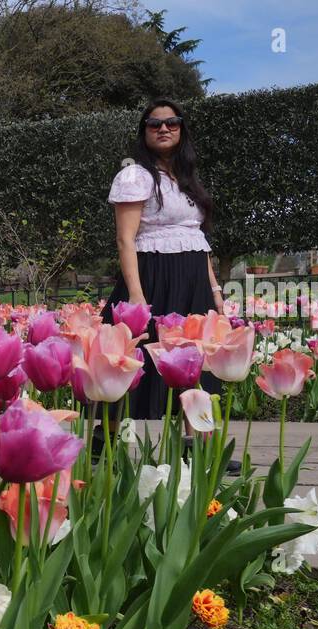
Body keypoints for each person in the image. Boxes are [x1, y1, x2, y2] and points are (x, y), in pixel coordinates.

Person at [101, 99, 223, 421]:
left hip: (193, 279)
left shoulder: (186, 180)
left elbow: (197, 238)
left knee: (195, 358)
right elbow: (125, 239)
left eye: (172, 122)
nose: (164, 128)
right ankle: (108, 444)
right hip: (153, 277)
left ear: (182, 129)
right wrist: (136, 296)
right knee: (132, 358)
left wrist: (215, 291)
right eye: (155, 124)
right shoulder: (135, 177)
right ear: (144, 132)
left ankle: (198, 446)